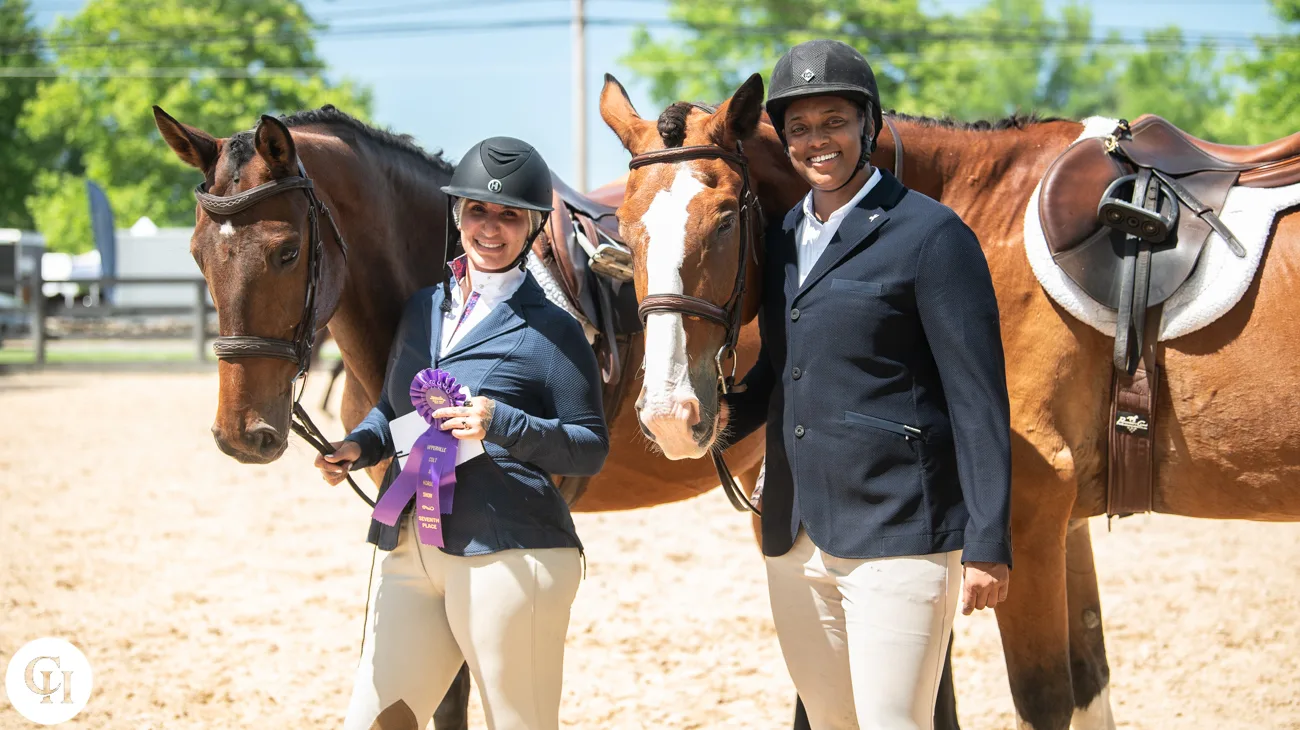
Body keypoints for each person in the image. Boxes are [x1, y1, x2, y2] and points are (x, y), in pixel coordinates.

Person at [724, 40, 1014, 729]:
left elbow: (978, 398)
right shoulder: (785, 235)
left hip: (901, 529)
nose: (815, 141)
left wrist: (989, 541)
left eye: (834, 121)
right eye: (798, 128)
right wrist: (713, 416)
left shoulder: (932, 235)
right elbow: (783, 367)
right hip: (795, 537)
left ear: (870, 125)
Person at [315, 137, 609, 730]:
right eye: (478, 210)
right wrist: (360, 445)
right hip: (410, 547)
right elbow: (395, 411)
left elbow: (590, 448)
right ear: (457, 216)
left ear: (530, 227)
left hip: (510, 554)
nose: (491, 227)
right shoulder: (422, 308)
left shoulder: (554, 330)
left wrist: (502, 423)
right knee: (374, 722)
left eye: (508, 215)